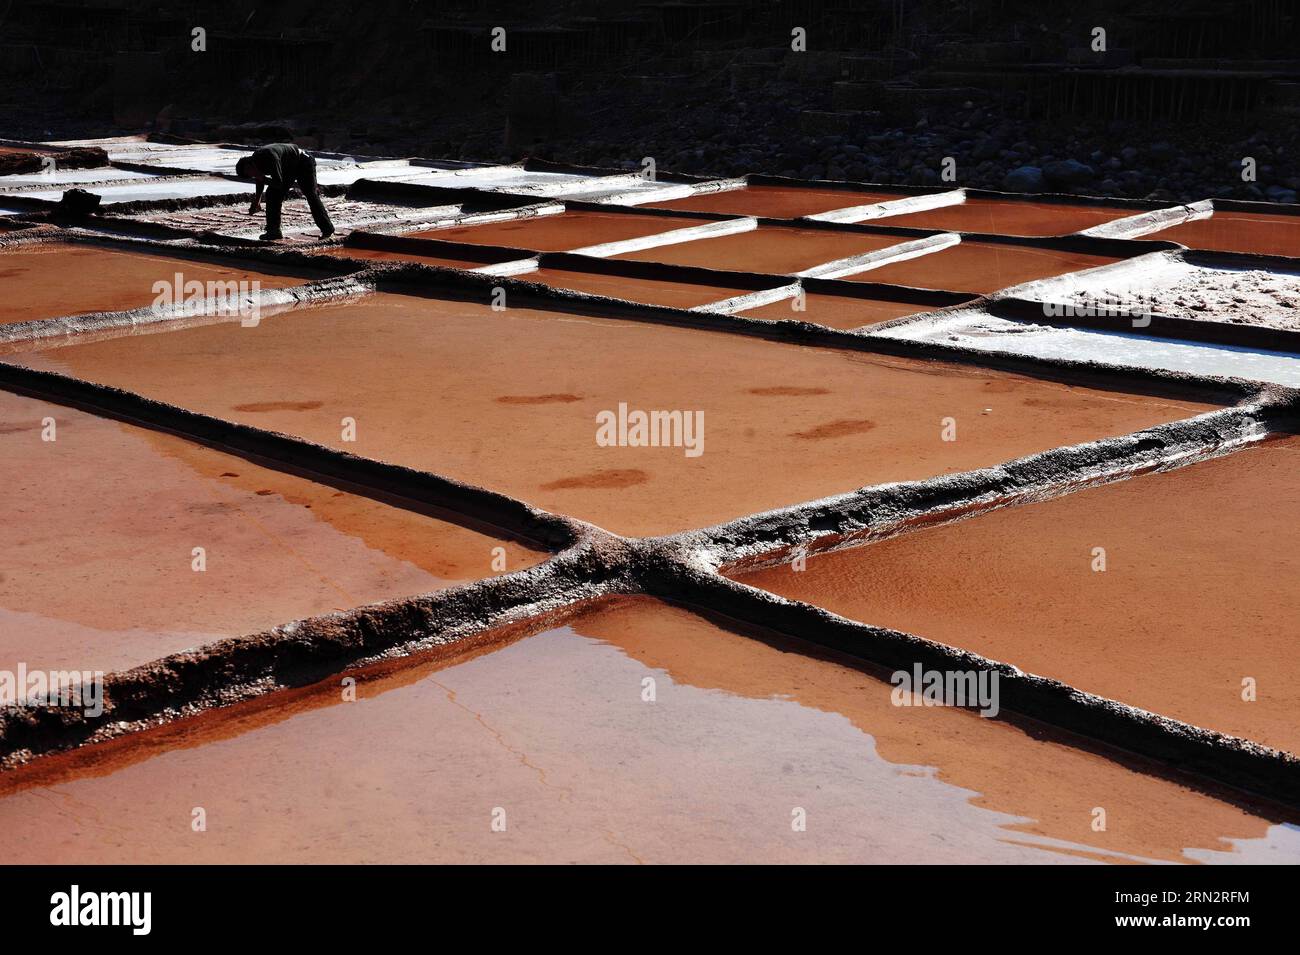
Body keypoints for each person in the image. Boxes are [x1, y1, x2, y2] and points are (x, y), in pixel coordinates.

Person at [234, 143, 334, 241]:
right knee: (272, 194)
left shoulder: (269, 156)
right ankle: (274, 231)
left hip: (303, 161)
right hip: (288, 167)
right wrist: (257, 201)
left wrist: (262, 178)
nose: (253, 175)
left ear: (248, 165)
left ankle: (327, 229)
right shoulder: (255, 164)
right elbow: (259, 180)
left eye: (249, 173)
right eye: (250, 176)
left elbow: (278, 183)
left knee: (311, 195)